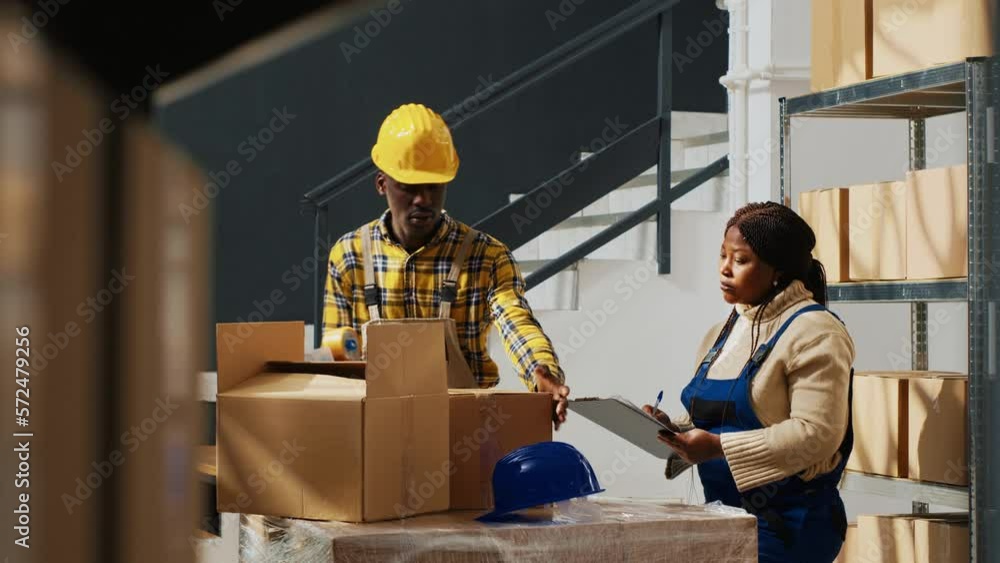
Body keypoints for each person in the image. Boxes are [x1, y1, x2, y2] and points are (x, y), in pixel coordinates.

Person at [323, 102, 570, 428]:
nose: (423, 200)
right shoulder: (349, 256)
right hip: (374, 429)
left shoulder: (486, 258)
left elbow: (517, 324)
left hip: (464, 430)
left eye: (433, 186)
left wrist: (542, 373)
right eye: (409, 187)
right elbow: (335, 356)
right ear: (382, 183)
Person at [644, 202, 855, 562]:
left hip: (788, 528)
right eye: (722, 256)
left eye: (741, 260)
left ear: (778, 271)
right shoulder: (723, 332)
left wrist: (717, 447)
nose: (725, 269)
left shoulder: (816, 332)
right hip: (725, 521)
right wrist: (671, 429)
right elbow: (711, 420)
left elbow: (817, 434)